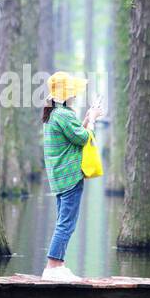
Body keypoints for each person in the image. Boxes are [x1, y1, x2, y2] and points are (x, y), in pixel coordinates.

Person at [41, 71, 103, 281]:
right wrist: (93, 120)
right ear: (65, 94)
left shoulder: (53, 114)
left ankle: (59, 265)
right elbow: (84, 138)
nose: (75, 96)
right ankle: (52, 266)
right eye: (72, 92)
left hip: (59, 178)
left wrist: (85, 119)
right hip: (69, 177)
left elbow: (73, 135)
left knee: (63, 220)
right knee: (66, 223)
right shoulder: (63, 115)